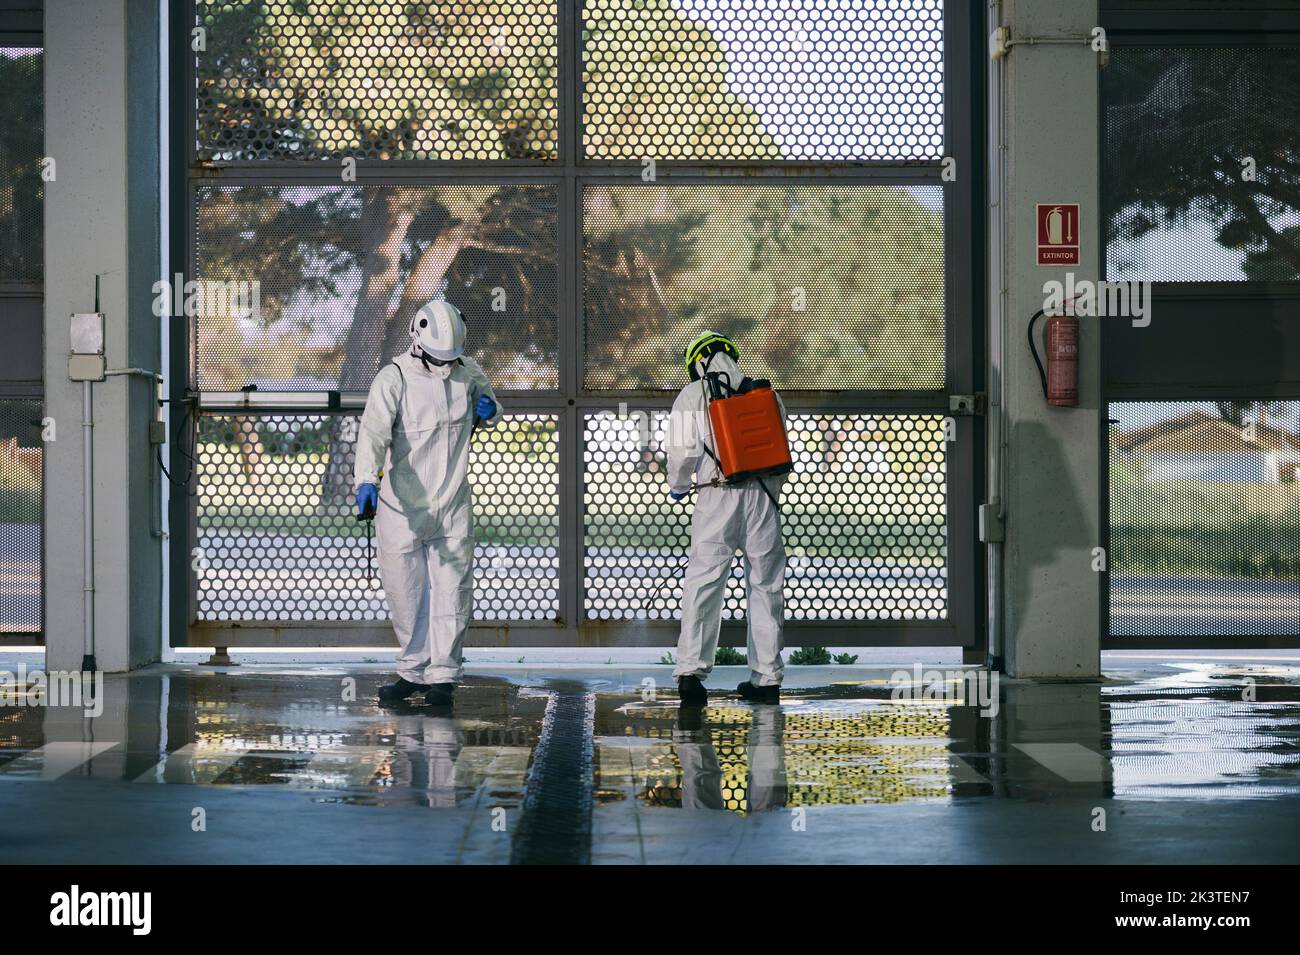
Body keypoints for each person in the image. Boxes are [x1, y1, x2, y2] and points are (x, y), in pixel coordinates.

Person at [354, 299, 501, 706]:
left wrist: (491, 411)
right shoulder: (394, 377)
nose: (444, 364)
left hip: (452, 502)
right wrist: (366, 480)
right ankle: (412, 671)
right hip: (402, 504)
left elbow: (490, 408)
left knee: (453, 590)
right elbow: (373, 433)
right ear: (418, 341)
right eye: (439, 357)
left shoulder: (468, 371)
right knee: (407, 591)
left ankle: (443, 677)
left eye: (450, 358)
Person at [666, 331, 786, 706]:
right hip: (763, 501)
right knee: (766, 585)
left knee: (704, 586)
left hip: (716, 498)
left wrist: (679, 485)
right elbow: (780, 451)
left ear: (696, 362)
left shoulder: (691, 395)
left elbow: (681, 455)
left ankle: (691, 676)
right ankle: (767, 680)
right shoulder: (767, 394)